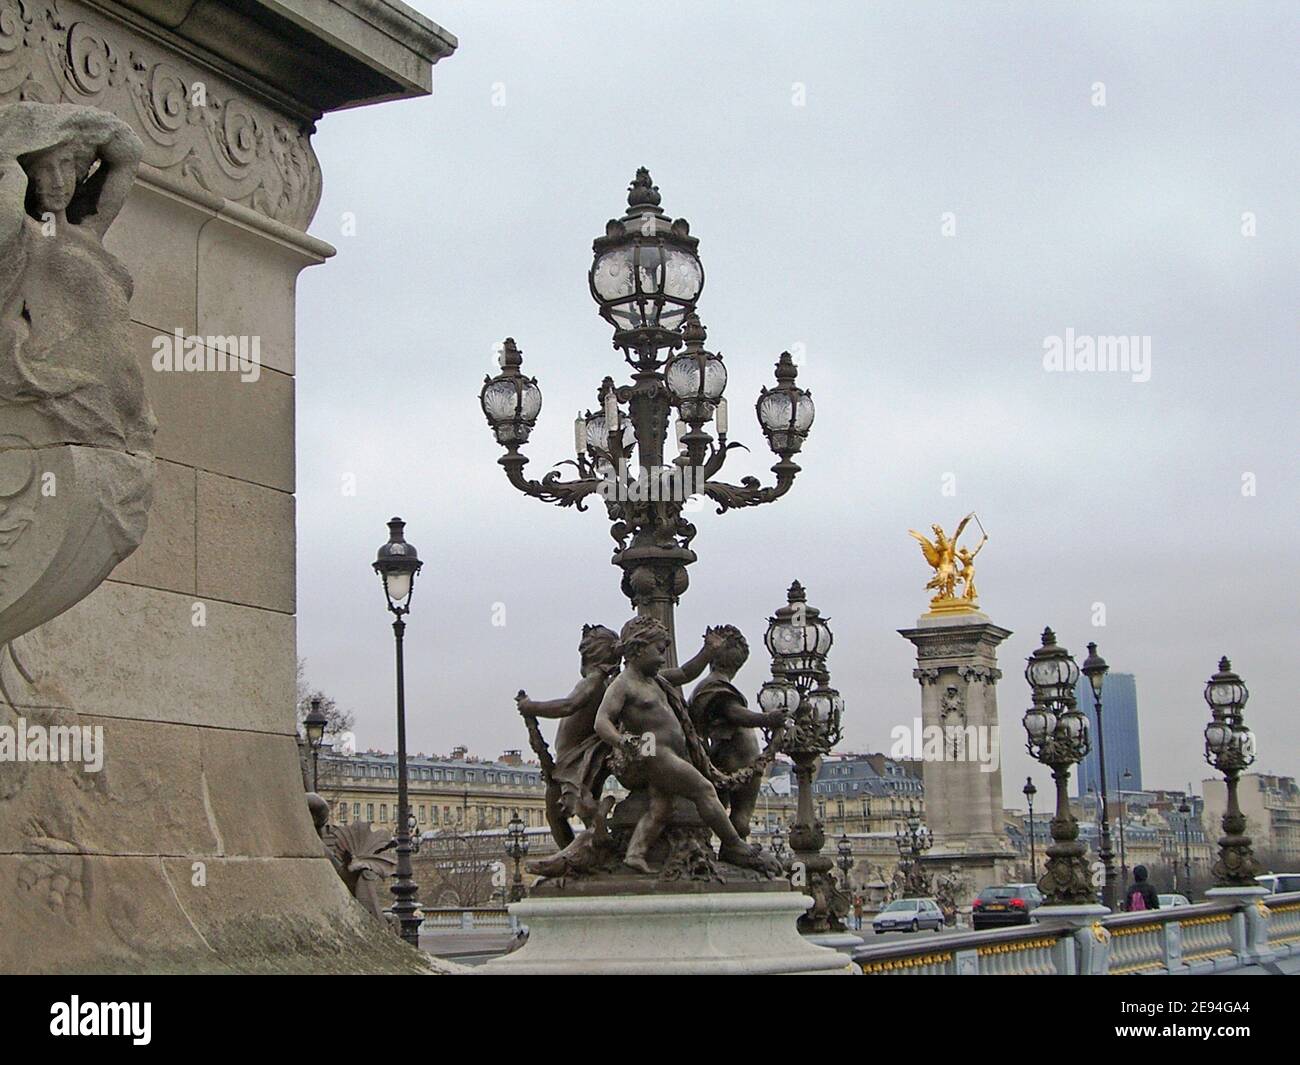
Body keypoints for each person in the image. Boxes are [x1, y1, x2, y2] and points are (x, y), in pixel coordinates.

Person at [595, 616, 771, 874]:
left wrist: (708, 650)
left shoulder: (655, 679)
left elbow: (686, 673)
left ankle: (635, 852)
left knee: (660, 809)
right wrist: (621, 741)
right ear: (638, 648)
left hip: (670, 753)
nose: (662, 658)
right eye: (659, 650)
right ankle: (733, 843)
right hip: (654, 752)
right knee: (704, 790)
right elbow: (601, 722)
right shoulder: (623, 684)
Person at [516, 624, 622, 848]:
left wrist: (531, 707)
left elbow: (567, 705)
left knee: (573, 806)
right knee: (558, 810)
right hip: (569, 759)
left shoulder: (593, 681)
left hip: (577, 760)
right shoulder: (603, 683)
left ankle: (597, 843)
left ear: (589, 654)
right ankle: (584, 851)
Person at [686, 624, 787, 841]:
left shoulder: (712, 684)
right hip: (736, 760)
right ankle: (734, 850)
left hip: (723, 757)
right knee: (739, 818)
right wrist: (767, 719)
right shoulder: (715, 686)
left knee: (720, 813)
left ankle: (724, 848)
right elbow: (734, 714)